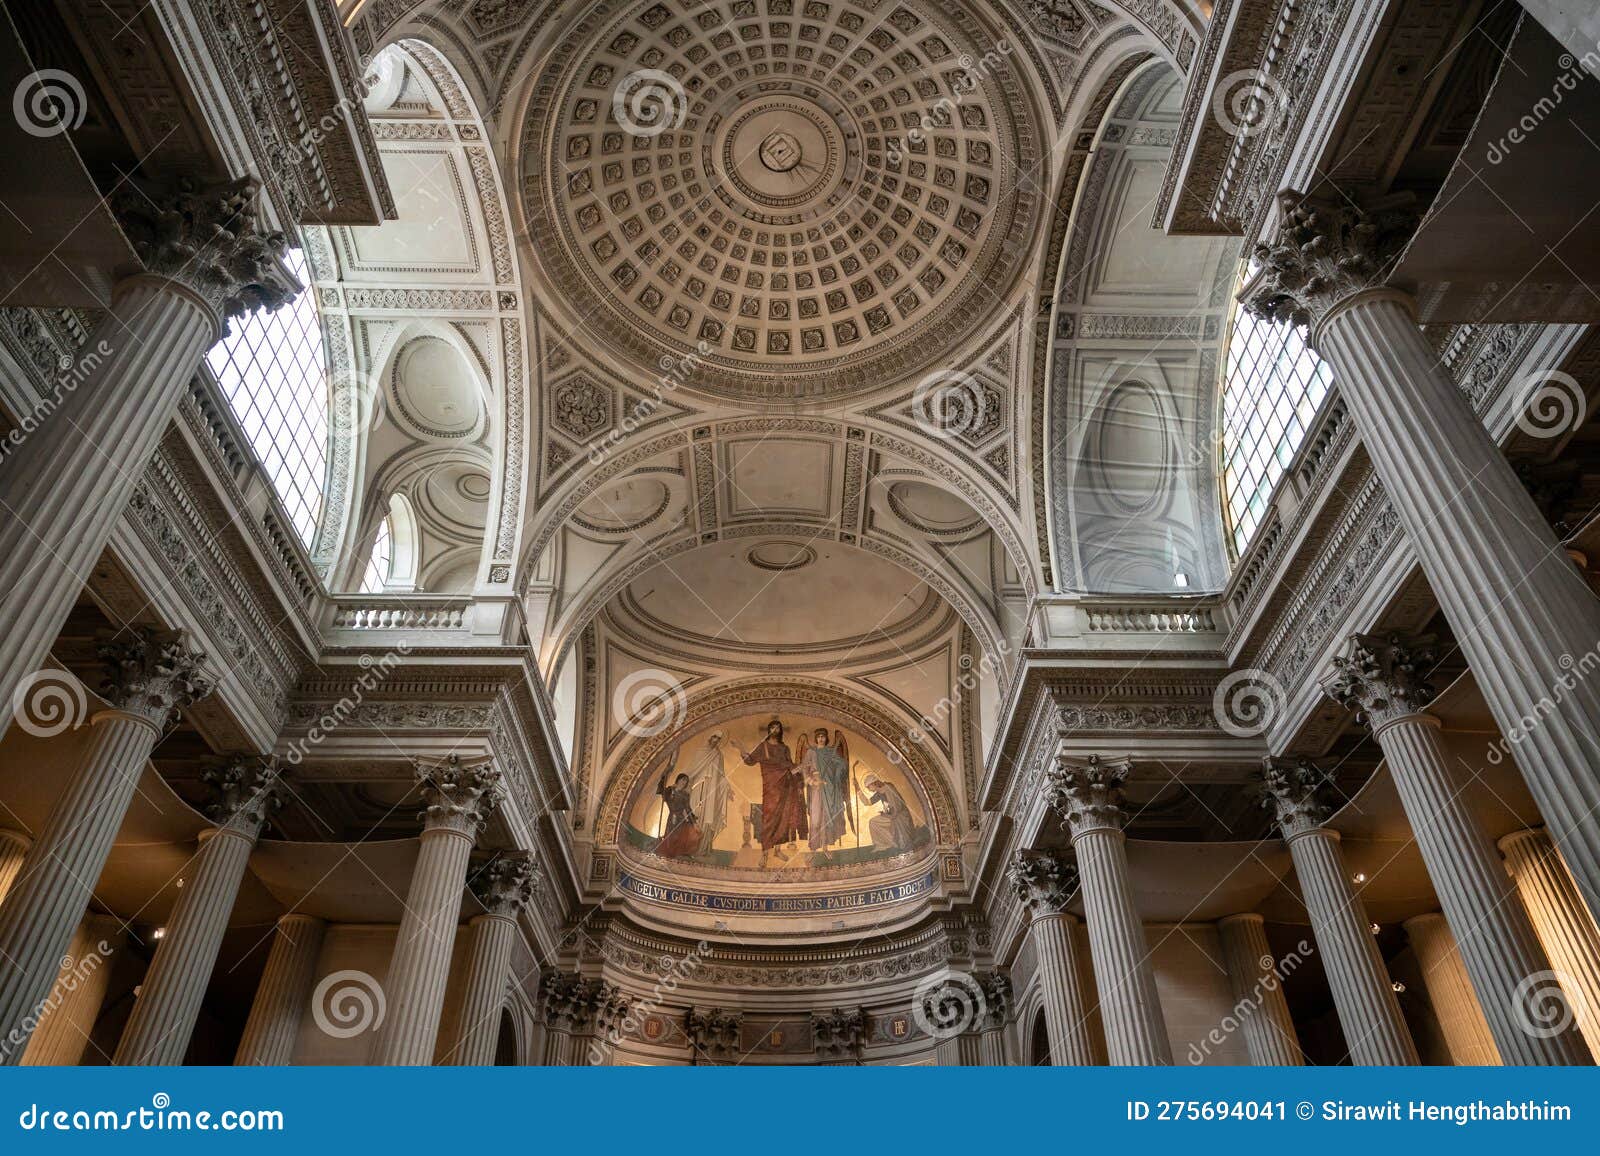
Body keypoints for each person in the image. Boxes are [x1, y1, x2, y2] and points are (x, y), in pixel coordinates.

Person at [735, 719, 807, 866]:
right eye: (772, 727)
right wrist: (741, 748)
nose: (775, 730)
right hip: (770, 788)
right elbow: (750, 760)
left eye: (778, 728)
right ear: (769, 730)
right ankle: (764, 854)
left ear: (780, 731)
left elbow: (790, 765)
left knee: (783, 819)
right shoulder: (763, 746)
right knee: (768, 820)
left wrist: (802, 770)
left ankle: (778, 850)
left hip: (785, 787)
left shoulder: (784, 748)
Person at [684, 730, 732, 856]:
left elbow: (721, 774)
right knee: (695, 812)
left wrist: (727, 787)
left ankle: (703, 848)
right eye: (714, 737)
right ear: (710, 737)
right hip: (699, 787)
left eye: (718, 739)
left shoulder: (718, 755)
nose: (716, 740)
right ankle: (689, 846)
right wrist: (683, 783)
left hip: (712, 791)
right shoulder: (701, 752)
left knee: (708, 816)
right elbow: (692, 770)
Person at [857, 771, 917, 852]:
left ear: (874, 783)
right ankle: (881, 845)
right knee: (873, 822)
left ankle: (895, 842)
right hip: (890, 815)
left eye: (868, 787)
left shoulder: (888, 788)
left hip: (900, 816)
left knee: (879, 822)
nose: (868, 789)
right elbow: (868, 802)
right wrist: (858, 789)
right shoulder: (878, 792)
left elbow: (896, 808)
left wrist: (886, 814)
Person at [653, 763, 701, 859]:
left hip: (681, 819)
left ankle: (681, 854)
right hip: (672, 817)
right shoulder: (670, 790)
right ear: (678, 779)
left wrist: (694, 822)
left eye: (686, 781)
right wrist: (664, 776)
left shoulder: (685, 795)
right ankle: (669, 855)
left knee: (688, 835)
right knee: (671, 836)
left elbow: (687, 809)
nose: (684, 782)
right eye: (683, 780)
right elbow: (660, 791)